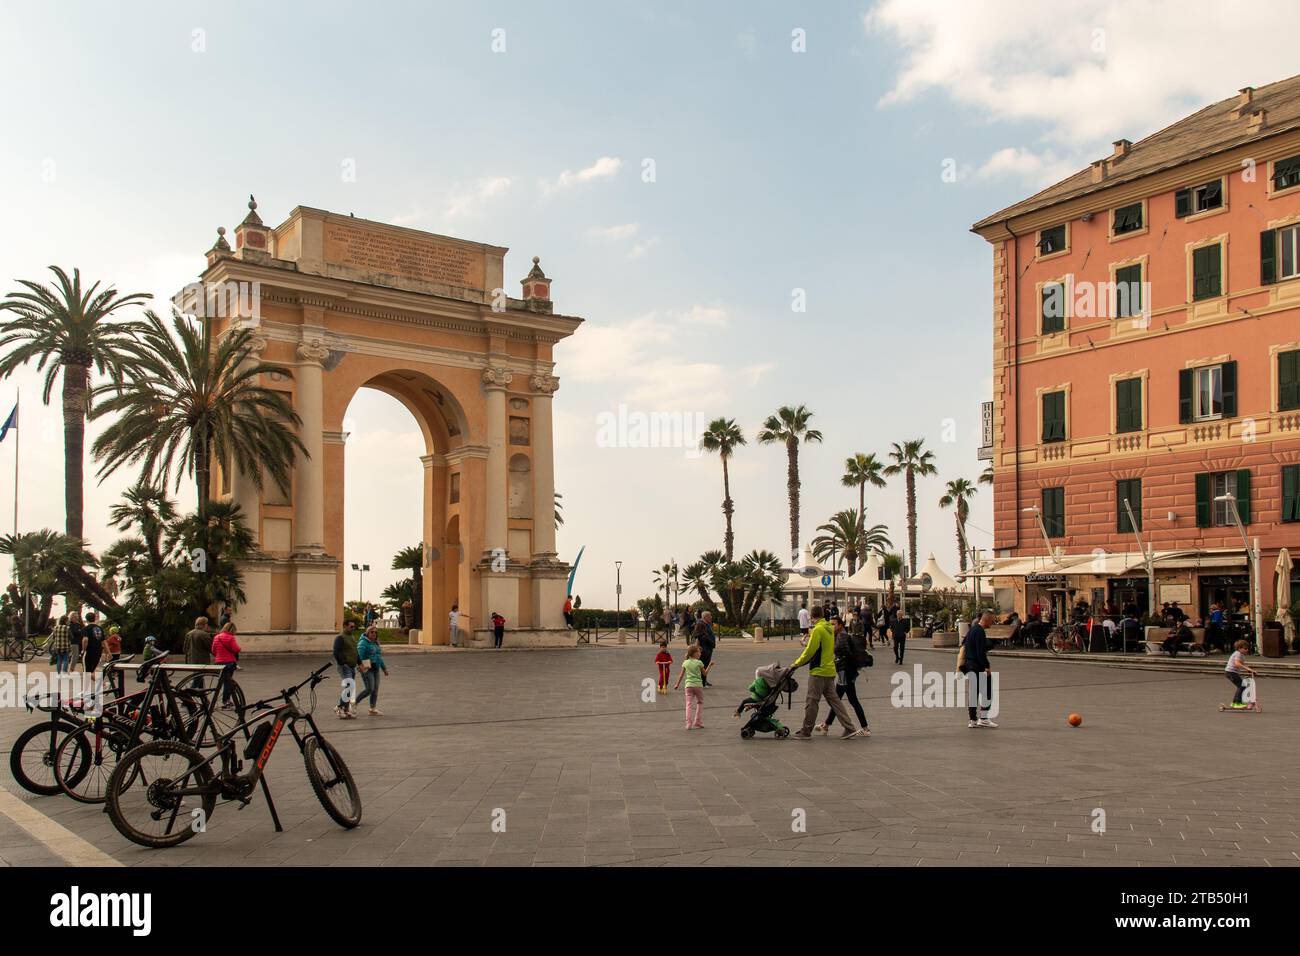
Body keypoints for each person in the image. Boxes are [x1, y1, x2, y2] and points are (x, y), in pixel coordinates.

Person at [791, 606, 862, 739]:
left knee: (812, 701)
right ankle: (849, 727)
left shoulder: (818, 629)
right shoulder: (829, 628)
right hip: (830, 670)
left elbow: (810, 651)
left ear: (812, 617)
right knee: (835, 702)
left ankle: (806, 731)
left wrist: (796, 664)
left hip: (818, 671)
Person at [815, 616, 869, 737]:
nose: (831, 626)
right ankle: (826, 725)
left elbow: (846, 653)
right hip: (844, 672)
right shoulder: (838, 636)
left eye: (834, 624)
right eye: (830, 624)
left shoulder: (842, 636)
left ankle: (864, 728)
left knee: (848, 700)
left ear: (840, 625)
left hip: (845, 673)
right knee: (836, 700)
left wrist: (841, 662)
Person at [961, 610, 997, 728]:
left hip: (969, 665)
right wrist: (986, 667)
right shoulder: (980, 631)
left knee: (973, 693)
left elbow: (964, 643)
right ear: (986, 619)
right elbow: (980, 652)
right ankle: (984, 718)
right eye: (992, 620)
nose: (992, 623)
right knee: (987, 692)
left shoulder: (972, 629)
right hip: (978, 666)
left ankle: (972, 720)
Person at [332, 620, 365, 718]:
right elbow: (336, 652)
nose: (353, 628)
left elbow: (355, 652)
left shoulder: (352, 637)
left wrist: (360, 663)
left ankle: (345, 710)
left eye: (354, 627)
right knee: (350, 686)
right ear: (345, 626)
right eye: (351, 626)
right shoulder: (340, 638)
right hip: (344, 667)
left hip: (352, 666)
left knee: (350, 688)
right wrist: (343, 662)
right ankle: (340, 707)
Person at [673, 643, 710, 730]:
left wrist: (677, 684)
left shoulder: (685, 662)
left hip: (688, 686)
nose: (700, 654)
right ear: (695, 653)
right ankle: (697, 721)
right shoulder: (699, 662)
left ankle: (688, 724)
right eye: (699, 652)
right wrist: (710, 666)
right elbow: (704, 674)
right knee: (700, 702)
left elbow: (681, 675)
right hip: (698, 685)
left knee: (688, 704)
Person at [356, 624, 389, 716]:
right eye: (372, 632)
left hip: (375, 668)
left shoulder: (375, 643)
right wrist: (363, 666)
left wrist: (384, 668)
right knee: (370, 689)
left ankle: (372, 709)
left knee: (375, 689)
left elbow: (379, 657)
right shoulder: (363, 643)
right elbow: (359, 656)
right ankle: (354, 703)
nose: (374, 634)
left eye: (375, 632)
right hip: (367, 669)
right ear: (367, 633)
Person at [211, 621, 241, 709]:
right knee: (228, 682)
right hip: (229, 662)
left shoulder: (216, 637)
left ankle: (223, 699)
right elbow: (236, 649)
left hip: (218, 662)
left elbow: (213, 650)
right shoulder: (231, 637)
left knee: (223, 681)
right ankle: (226, 700)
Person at [1224, 639, 1257, 708]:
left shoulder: (1241, 655)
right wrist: (1248, 669)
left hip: (1231, 672)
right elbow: (1237, 664)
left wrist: (1250, 670)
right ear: (1239, 648)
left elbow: (1242, 664)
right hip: (1231, 672)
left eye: (1248, 648)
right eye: (1245, 648)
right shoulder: (1238, 654)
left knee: (1241, 686)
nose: (1247, 650)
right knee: (1242, 686)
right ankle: (1237, 703)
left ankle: (1234, 703)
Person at [695, 611, 717, 687]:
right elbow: (697, 635)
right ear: (705, 617)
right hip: (704, 648)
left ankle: (704, 680)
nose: (711, 617)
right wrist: (707, 639)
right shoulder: (700, 624)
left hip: (708, 647)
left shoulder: (706, 624)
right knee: (703, 664)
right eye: (710, 616)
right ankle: (702, 682)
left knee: (705, 664)